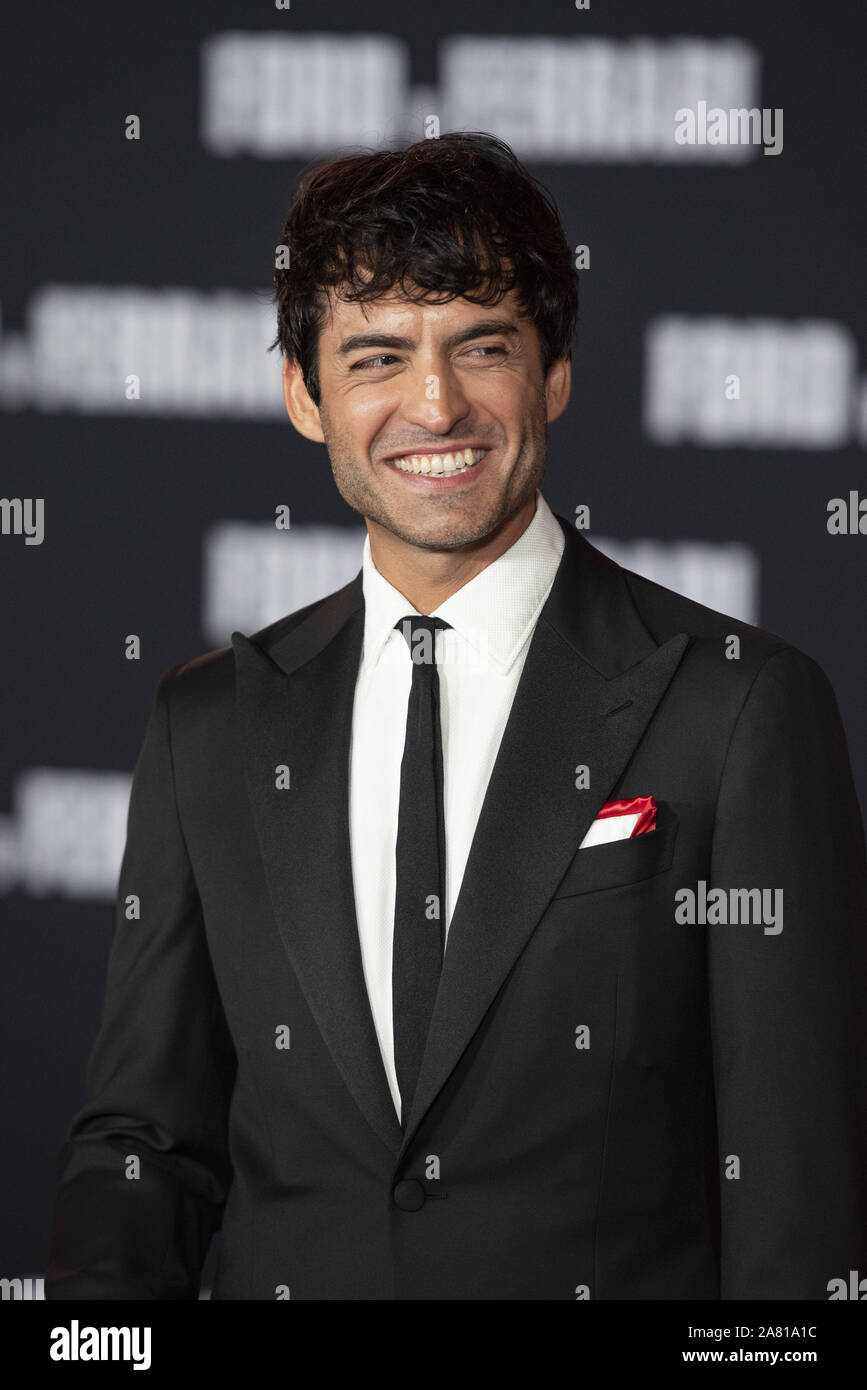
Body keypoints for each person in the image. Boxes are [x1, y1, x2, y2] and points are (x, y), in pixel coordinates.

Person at [46, 132, 867, 1300]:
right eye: (377, 356)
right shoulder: (210, 725)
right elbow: (143, 1149)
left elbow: (798, 1199)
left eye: (482, 346)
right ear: (304, 395)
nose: (437, 405)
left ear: (555, 373)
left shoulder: (739, 707)